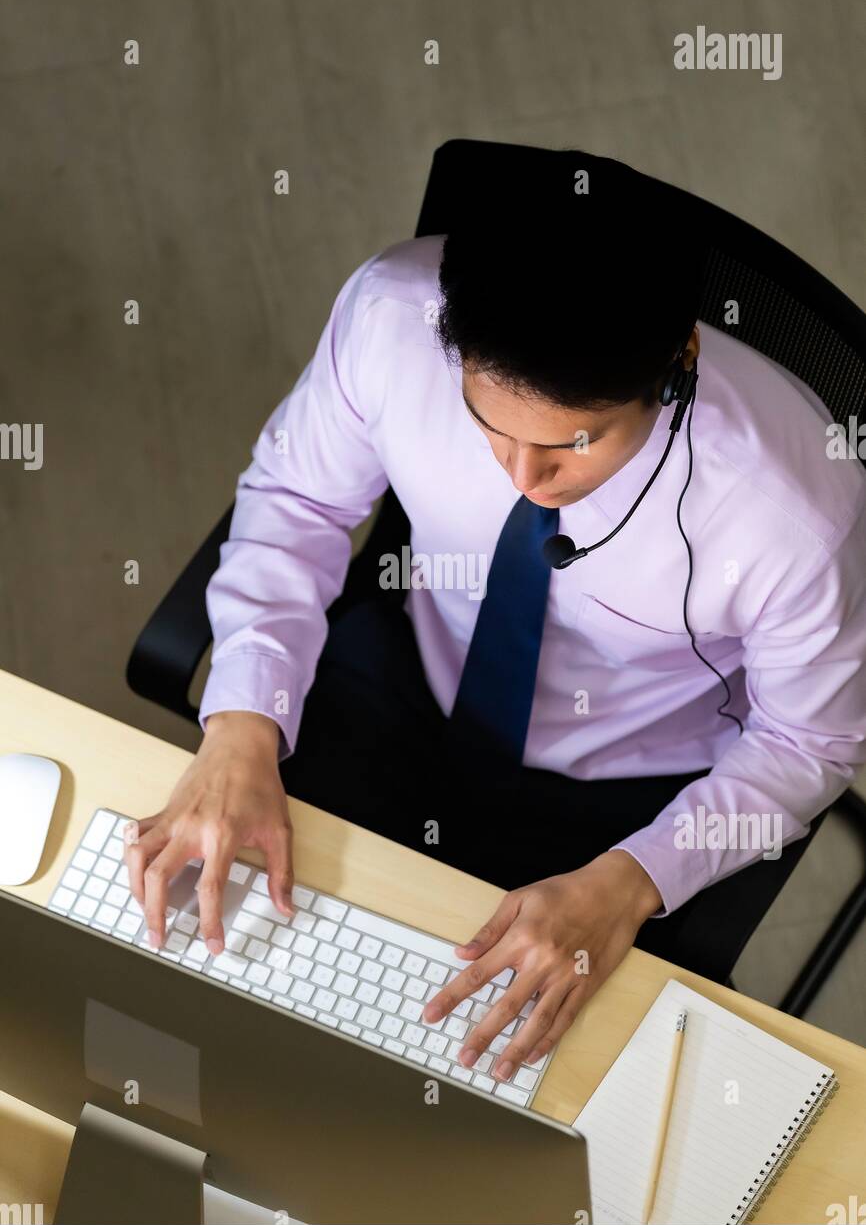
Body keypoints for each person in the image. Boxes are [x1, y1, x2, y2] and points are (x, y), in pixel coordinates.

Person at [125, 191, 866, 1085]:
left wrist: (632, 881)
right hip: (409, 678)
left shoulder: (795, 514)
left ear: (680, 363)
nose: (525, 475)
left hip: (633, 791)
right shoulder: (393, 319)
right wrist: (241, 722)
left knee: (546, 1099)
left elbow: (808, 740)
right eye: (490, 424)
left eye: (574, 445)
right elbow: (299, 500)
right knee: (214, 1003)